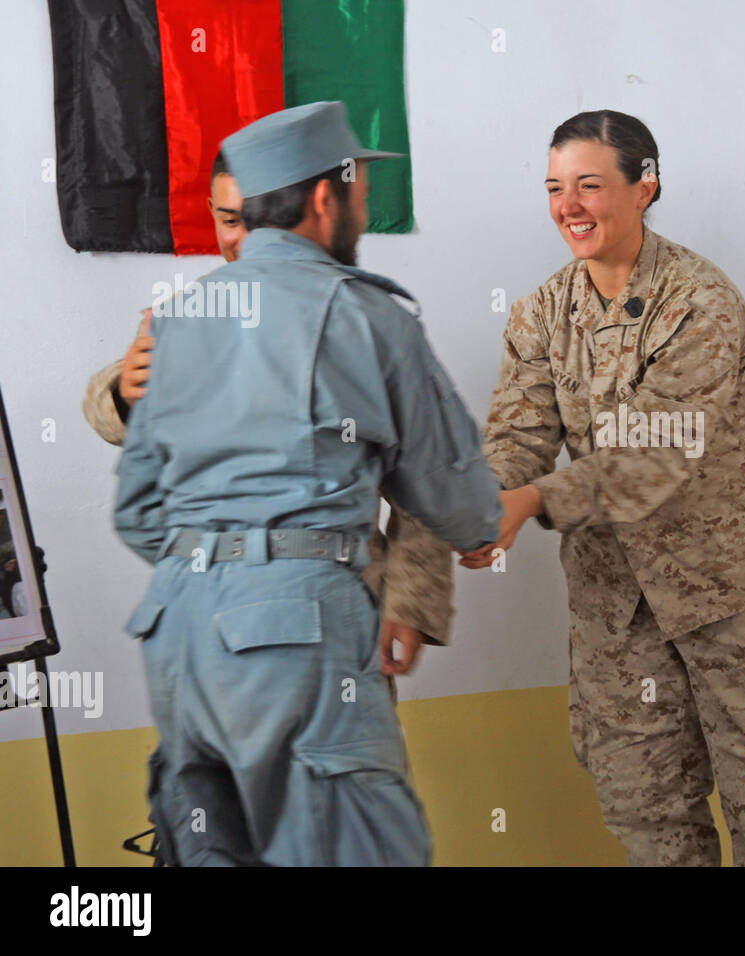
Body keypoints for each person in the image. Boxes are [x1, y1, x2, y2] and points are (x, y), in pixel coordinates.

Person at [114, 101, 503, 866]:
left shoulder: (177, 321)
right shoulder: (367, 316)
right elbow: (465, 506)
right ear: (327, 198)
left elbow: (137, 514)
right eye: (357, 187)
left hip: (176, 638)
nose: (362, 205)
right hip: (293, 635)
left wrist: (219, 562)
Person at [464, 110, 745, 866]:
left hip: (732, 598)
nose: (569, 206)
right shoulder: (540, 313)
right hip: (617, 611)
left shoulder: (702, 300)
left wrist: (530, 505)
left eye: (590, 185)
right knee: (649, 817)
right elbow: (518, 436)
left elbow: (654, 455)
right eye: (554, 187)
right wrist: (479, 500)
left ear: (646, 186)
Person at [84, 153, 458, 664]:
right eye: (231, 221)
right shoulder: (196, 314)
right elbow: (112, 412)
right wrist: (127, 395)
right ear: (212, 213)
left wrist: (411, 601)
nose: (247, 238)